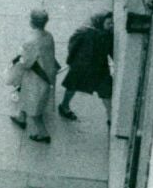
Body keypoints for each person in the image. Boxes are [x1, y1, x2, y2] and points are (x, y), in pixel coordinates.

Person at [8, 9, 60, 144]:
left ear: (32, 22)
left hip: (35, 78)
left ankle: (43, 133)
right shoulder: (48, 35)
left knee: (34, 106)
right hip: (46, 73)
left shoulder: (31, 40)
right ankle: (21, 117)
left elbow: (26, 63)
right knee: (27, 97)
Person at [59, 12, 116, 122]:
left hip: (99, 68)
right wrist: (71, 61)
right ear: (101, 22)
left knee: (106, 92)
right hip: (81, 66)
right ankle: (64, 107)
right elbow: (73, 47)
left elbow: (112, 51)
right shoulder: (84, 33)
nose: (111, 26)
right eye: (109, 23)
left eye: (112, 23)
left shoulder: (108, 35)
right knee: (72, 86)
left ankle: (110, 117)